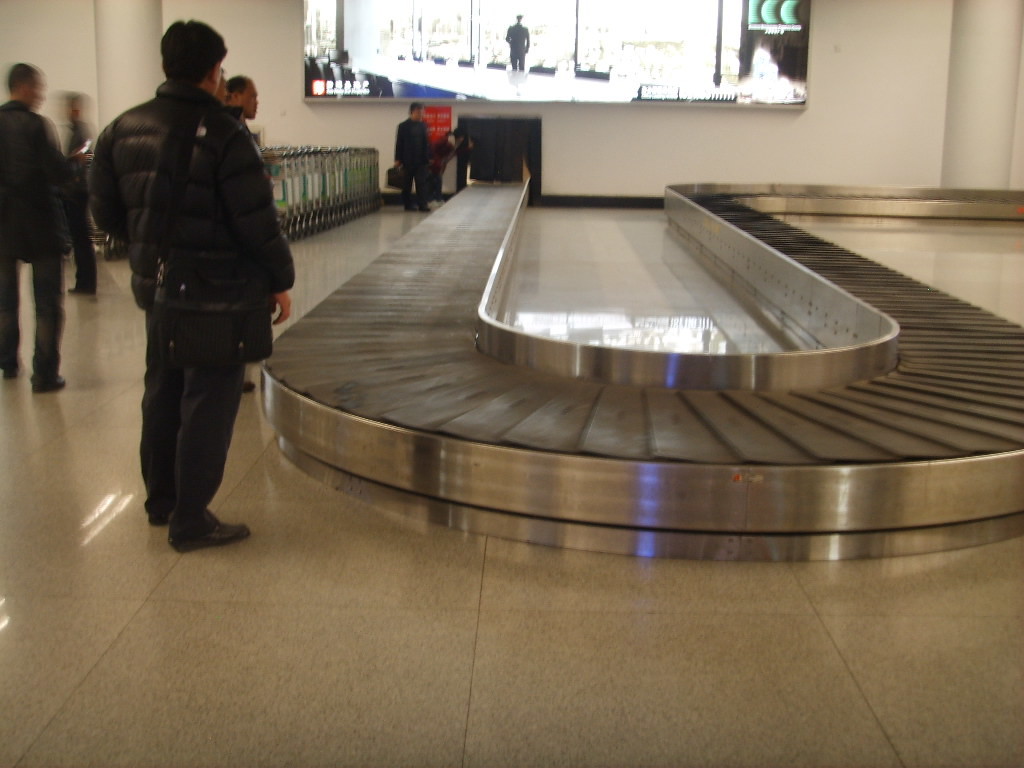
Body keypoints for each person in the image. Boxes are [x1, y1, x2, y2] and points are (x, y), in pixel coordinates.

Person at [89, 20, 295, 552]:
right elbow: (256, 220)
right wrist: (280, 279)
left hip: (157, 288)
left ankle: (161, 501)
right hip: (216, 294)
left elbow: (108, 215)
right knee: (209, 398)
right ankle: (191, 518)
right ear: (212, 71)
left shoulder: (120, 129)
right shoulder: (227, 135)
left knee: (162, 390)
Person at [0, 63, 79, 392]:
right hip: (41, 225)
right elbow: (57, 172)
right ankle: (44, 373)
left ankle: (7, 363)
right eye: (38, 87)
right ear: (24, 87)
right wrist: (71, 165)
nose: (42, 94)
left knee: (5, 302)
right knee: (47, 304)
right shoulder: (37, 126)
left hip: (3, 227)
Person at [223, 74, 261, 393]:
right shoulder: (228, 133)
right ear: (233, 96)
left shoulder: (239, 130)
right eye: (251, 97)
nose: (256, 103)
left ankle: (245, 371)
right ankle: (239, 369)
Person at [62, 92, 98, 295]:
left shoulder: (81, 131)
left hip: (78, 190)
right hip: (76, 189)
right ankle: (83, 281)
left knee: (81, 238)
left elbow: (86, 154)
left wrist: (72, 158)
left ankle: (86, 283)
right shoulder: (76, 130)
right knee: (80, 238)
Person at [393, 102, 430, 212]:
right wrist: (397, 159)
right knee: (406, 184)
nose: (421, 114)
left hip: (421, 160)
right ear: (412, 112)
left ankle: (423, 205)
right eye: (419, 112)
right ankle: (407, 204)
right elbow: (399, 143)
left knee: (421, 184)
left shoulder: (423, 126)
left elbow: (426, 143)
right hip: (407, 160)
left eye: (422, 112)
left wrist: (428, 157)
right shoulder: (403, 126)